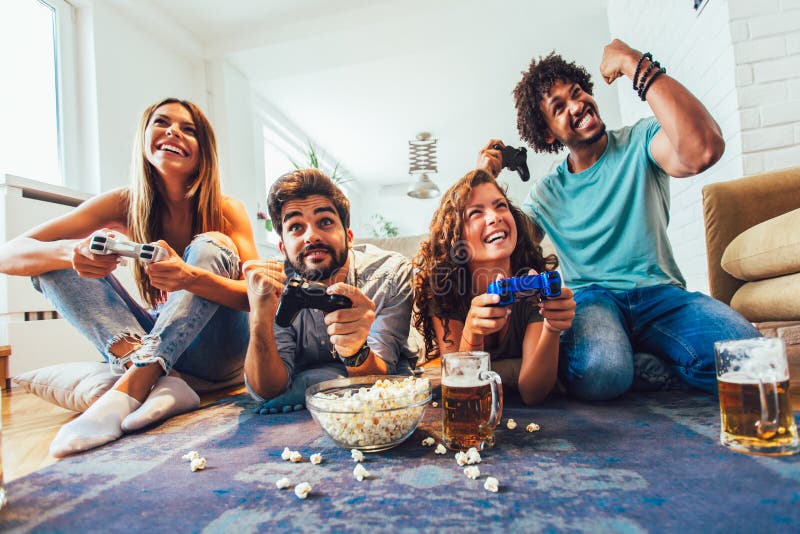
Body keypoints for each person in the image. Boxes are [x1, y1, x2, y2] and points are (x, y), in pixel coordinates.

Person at [478, 39, 759, 401]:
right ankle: (641, 363)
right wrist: (484, 174)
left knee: (749, 356)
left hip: (662, 294)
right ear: (548, 133)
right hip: (594, 300)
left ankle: (648, 364)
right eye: (559, 107)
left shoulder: (641, 141)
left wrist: (633, 63)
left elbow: (703, 149)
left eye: (577, 92)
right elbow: (505, 238)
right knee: (602, 372)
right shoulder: (548, 191)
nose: (577, 105)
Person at [0, 98, 257, 456]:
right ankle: (168, 382)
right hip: (161, 338)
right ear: (145, 137)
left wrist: (189, 277)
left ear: (204, 152)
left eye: (188, 129)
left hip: (220, 352)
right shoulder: (122, 203)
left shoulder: (226, 209)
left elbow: (256, 296)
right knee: (54, 260)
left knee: (213, 245)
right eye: (162, 122)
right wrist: (71, 253)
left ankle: (131, 389)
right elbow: (8, 253)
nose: (173, 132)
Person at [243, 168, 418, 412]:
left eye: (325, 222)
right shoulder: (272, 284)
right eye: (295, 227)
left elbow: (379, 377)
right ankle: (323, 380)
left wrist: (355, 349)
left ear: (349, 237)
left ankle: (320, 381)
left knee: (398, 379)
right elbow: (268, 389)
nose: (311, 236)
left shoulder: (389, 272)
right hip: (304, 367)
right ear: (282, 248)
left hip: (381, 359)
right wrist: (259, 319)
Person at [413, 169, 576, 405]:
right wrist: (472, 332)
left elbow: (532, 393)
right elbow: (462, 390)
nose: (494, 217)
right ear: (456, 238)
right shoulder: (444, 292)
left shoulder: (532, 283)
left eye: (501, 206)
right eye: (476, 212)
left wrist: (552, 328)